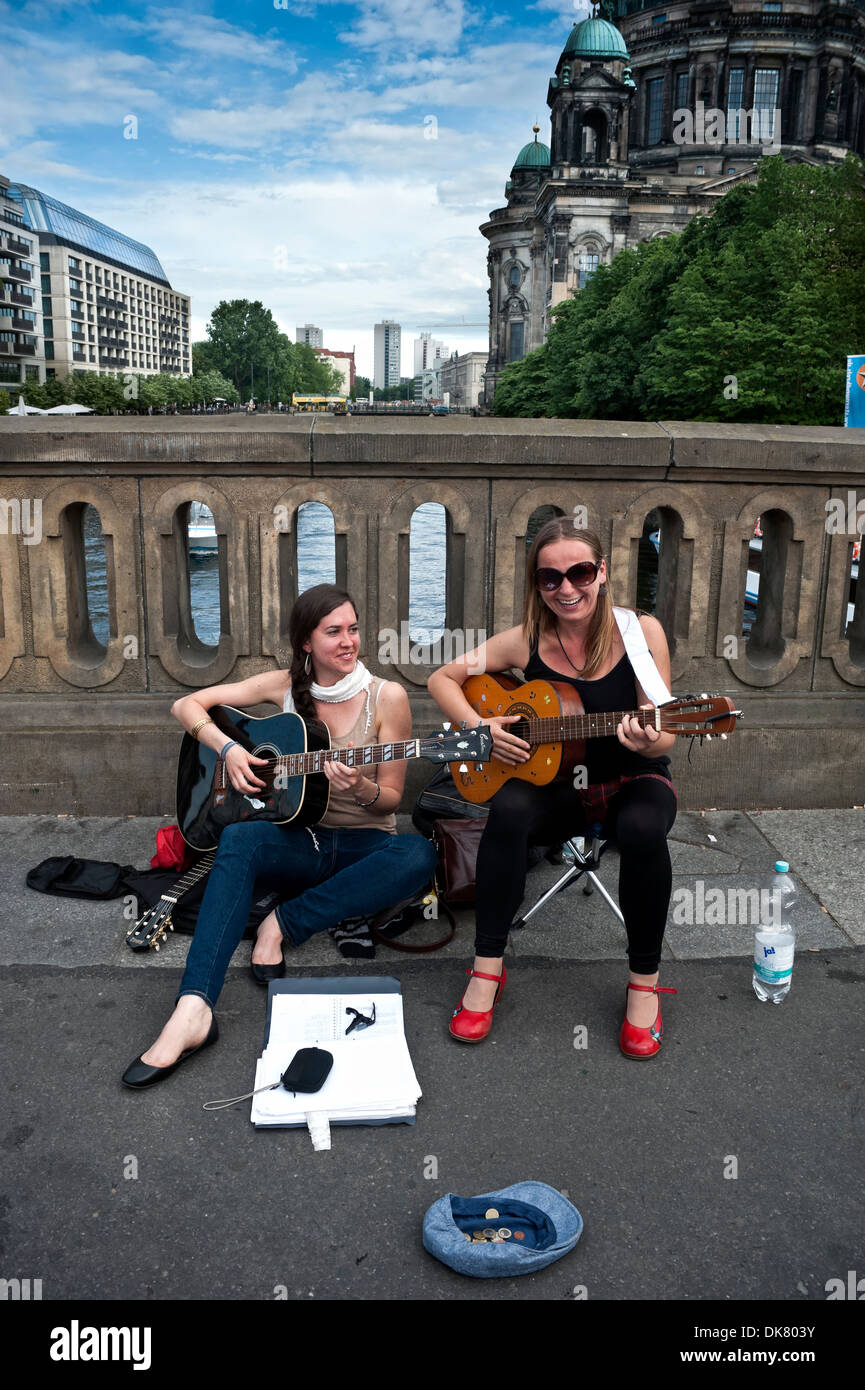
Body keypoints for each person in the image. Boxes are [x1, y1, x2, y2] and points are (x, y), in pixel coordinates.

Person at [122, 584, 437, 1088]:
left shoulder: (387, 698)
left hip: (365, 848)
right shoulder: (284, 688)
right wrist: (227, 750)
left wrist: (360, 787)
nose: (348, 641)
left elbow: (393, 800)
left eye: (353, 629)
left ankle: (282, 923)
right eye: (333, 631)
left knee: (418, 854)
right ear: (306, 642)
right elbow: (188, 705)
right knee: (239, 841)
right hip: (303, 842)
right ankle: (193, 1010)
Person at [427, 520, 678, 1058]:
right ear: (536, 584)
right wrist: (480, 727)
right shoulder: (524, 640)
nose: (567, 589)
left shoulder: (641, 632)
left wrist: (647, 739)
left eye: (580, 572)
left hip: (635, 779)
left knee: (641, 826)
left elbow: (666, 733)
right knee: (510, 808)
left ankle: (643, 984)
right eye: (550, 578)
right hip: (561, 784)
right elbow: (441, 679)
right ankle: (488, 969)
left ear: (602, 572)